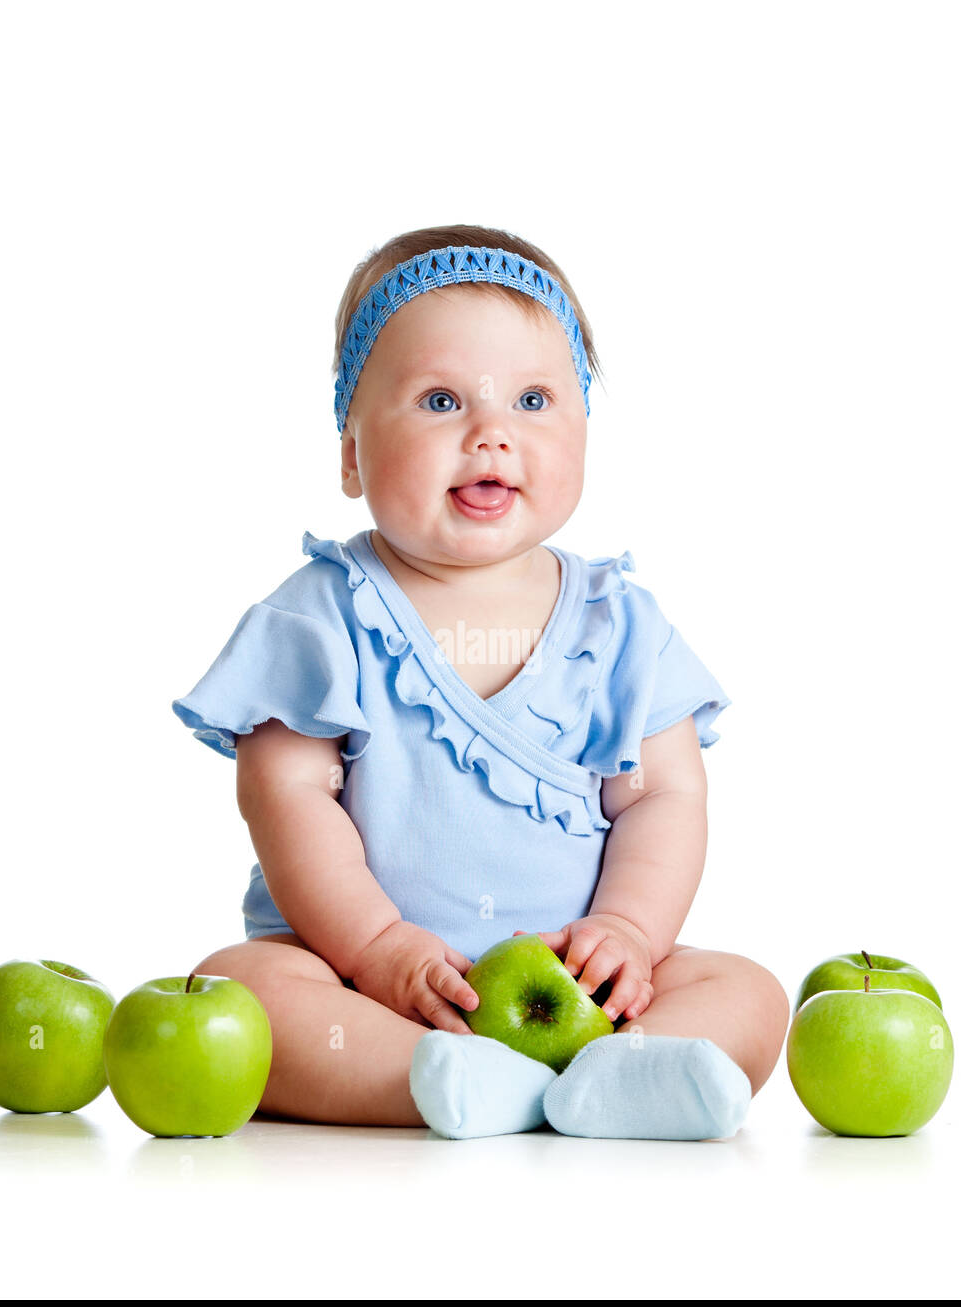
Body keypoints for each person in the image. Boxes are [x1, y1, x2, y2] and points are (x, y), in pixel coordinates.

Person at [172, 224, 789, 1140]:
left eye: (534, 398)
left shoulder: (621, 627)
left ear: (585, 428)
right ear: (351, 452)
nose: (490, 433)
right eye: (439, 400)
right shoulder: (319, 618)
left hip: (581, 995)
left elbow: (663, 799)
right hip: (371, 990)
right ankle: (432, 1081)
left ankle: (620, 1077)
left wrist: (627, 931)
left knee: (749, 995)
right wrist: (378, 949)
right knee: (245, 987)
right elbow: (283, 794)